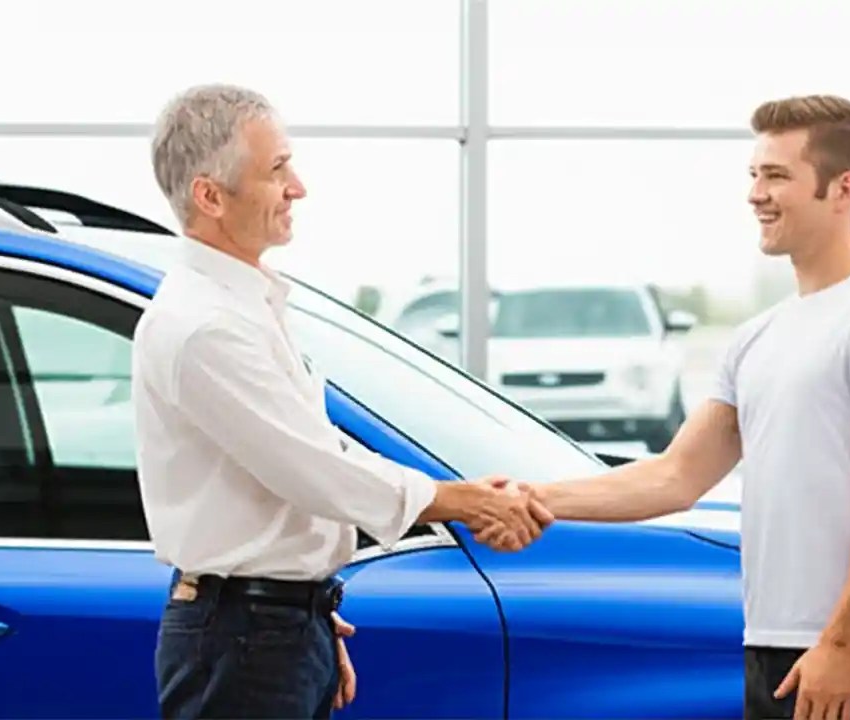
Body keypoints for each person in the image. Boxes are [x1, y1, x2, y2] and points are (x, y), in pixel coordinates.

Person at [496, 94, 850, 720]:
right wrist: (528, 498)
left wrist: (841, 643)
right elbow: (674, 476)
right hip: (772, 647)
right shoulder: (759, 335)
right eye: (754, 174)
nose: (756, 193)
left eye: (777, 175)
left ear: (843, 189)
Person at [134, 84, 551, 719]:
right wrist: (462, 501)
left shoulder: (245, 307)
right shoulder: (204, 326)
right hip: (246, 633)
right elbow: (313, 469)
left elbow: (310, 456)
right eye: (277, 170)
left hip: (268, 626)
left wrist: (304, 613)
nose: (297, 186)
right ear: (211, 196)